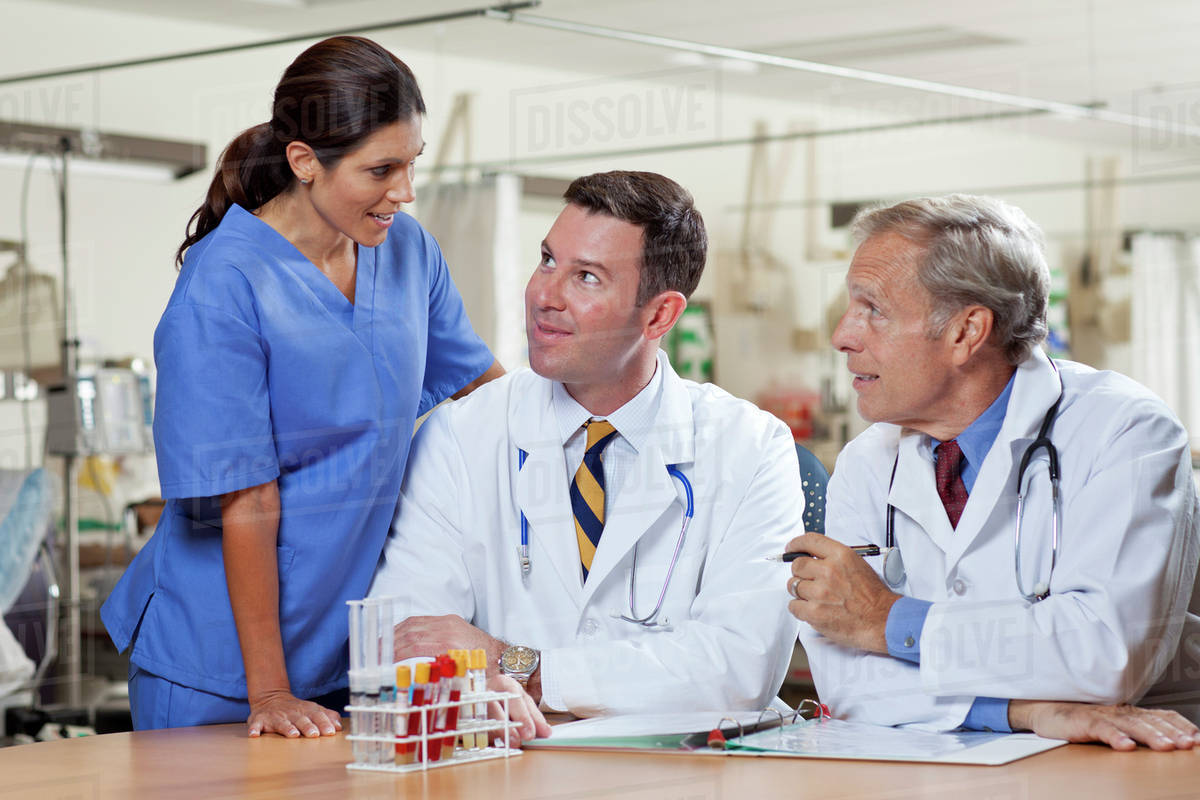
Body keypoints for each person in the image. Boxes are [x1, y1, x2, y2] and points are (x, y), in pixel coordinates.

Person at [100, 36, 507, 738]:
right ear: (304, 163)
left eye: (412, 164)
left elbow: (490, 398)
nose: (403, 192)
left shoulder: (408, 252)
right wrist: (270, 694)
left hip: (350, 655)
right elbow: (247, 495)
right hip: (221, 665)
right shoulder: (223, 284)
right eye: (381, 169)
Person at [369, 171, 801, 716]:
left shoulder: (752, 447)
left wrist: (515, 664)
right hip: (506, 766)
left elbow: (738, 669)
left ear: (660, 314)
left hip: (681, 772)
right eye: (548, 259)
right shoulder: (460, 435)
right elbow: (410, 640)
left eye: (587, 277)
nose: (544, 295)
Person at [787, 194, 1200, 749]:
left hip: (1134, 754)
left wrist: (887, 620)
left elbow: (1105, 655)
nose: (842, 335)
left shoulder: (1124, 430)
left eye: (873, 310)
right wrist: (1022, 710)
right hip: (946, 761)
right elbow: (845, 679)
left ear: (966, 332)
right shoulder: (868, 462)